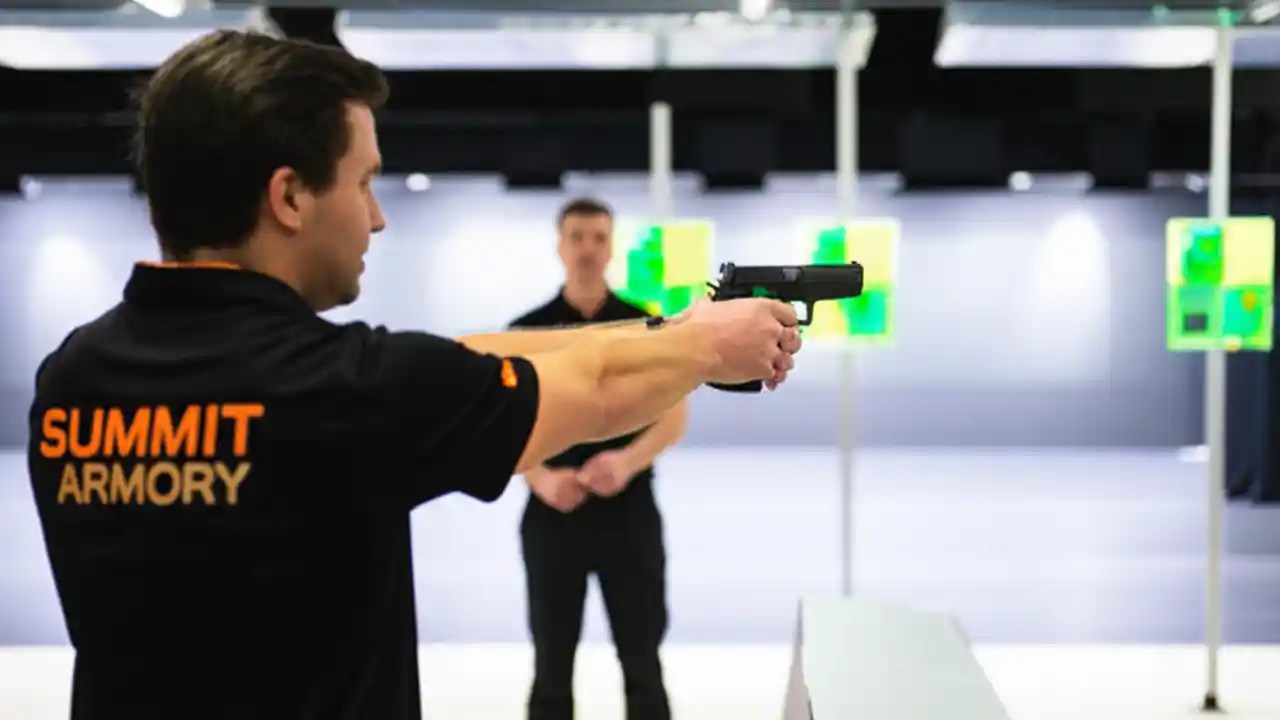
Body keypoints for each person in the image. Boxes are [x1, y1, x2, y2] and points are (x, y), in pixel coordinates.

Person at [25, 29, 801, 720]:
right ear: (289, 196)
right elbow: (591, 387)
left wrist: (672, 327)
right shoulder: (351, 389)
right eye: (363, 182)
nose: (377, 216)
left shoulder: (74, 377)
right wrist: (705, 345)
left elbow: (460, 357)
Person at [510, 198, 684, 720]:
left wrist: (625, 464)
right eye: (577, 237)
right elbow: (504, 424)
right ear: (559, 245)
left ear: (611, 247)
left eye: (598, 238)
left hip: (627, 513)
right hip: (552, 517)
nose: (587, 249)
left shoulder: (645, 326)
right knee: (550, 665)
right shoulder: (527, 332)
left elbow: (673, 417)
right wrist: (540, 479)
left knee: (642, 659)